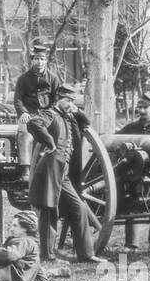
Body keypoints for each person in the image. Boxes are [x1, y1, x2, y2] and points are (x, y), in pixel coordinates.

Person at [30, 82, 99, 265]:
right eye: (68, 100)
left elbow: (86, 122)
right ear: (59, 99)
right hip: (50, 169)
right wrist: (49, 142)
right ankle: (47, 256)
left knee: (79, 208)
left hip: (64, 173)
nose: (71, 104)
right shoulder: (50, 114)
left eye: (72, 100)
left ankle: (86, 254)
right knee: (49, 211)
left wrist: (75, 111)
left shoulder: (68, 117)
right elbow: (34, 123)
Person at [116, 94, 150, 251]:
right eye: (139, 107)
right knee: (130, 205)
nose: (141, 110)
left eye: (144, 107)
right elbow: (118, 142)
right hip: (134, 173)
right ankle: (131, 244)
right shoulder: (131, 128)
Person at [13, 44, 62, 180]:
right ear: (32, 60)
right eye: (36, 59)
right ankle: (26, 170)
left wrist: (51, 111)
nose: (39, 62)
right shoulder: (23, 79)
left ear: (46, 61)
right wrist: (22, 112)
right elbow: (17, 99)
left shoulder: (53, 78)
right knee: (24, 133)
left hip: (47, 114)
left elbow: (57, 98)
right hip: (29, 114)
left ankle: (55, 166)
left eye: (42, 59)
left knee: (60, 132)